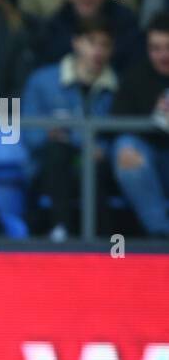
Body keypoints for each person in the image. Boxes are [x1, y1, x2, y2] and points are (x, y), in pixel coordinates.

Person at [21, 16, 120, 239]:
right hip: (48, 168)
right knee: (57, 152)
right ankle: (60, 231)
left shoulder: (118, 88)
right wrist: (80, 142)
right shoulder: (42, 80)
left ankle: (101, 244)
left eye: (104, 44)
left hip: (97, 168)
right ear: (76, 42)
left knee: (89, 167)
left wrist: (101, 149)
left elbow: (119, 139)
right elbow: (31, 134)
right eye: (91, 42)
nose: (98, 50)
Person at [110, 14, 169, 237]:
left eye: (168, 47)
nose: (163, 55)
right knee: (126, 146)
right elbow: (116, 124)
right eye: (155, 48)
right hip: (152, 162)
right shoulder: (136, 77)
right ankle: (161, 233)